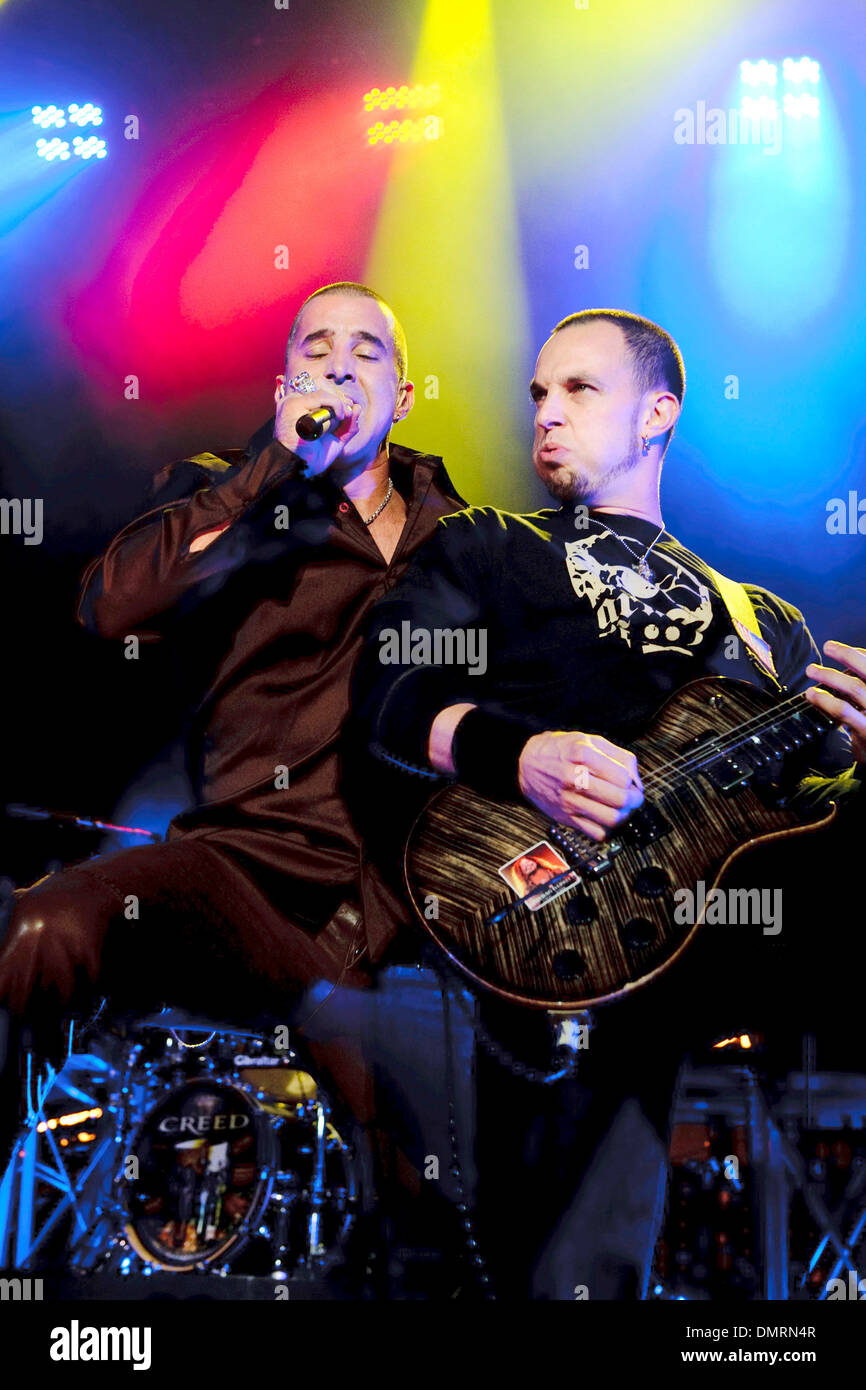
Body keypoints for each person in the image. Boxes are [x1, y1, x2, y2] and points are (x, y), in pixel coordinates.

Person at [350, 308, 866, 1299]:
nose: (544, 411)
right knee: (560, 1268)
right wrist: (522, 754)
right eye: (537, 392)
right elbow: (385, 696)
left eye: (578, 388)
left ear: (657, 413)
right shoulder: (489, 548)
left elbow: (811, 809)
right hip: (544, 908)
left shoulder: (763, 621)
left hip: (722, 930)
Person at [0, 283, 467, 1211]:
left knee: (431, 1211)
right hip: (244, 874)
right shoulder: (225, 491)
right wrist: (268, 473)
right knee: (39, 929)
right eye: (318, 346)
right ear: (286, 381)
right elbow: (112, 605)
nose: (340, 361)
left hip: (409, 907)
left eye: (368, 350)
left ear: (407, 396)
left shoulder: (466, 538)